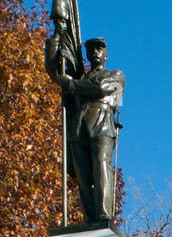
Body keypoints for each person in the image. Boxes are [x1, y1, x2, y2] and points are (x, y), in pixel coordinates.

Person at [51, 36, 123, 225]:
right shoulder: (81, 77)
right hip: (78, 128)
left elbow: (100, 88)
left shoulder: (116, 75)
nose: (94, 53)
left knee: (101, 166)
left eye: (99, 49)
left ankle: (103, 214)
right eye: (91, 50)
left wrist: (71, 85)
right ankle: (89, 217)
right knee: (82, 176)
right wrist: (54, 44)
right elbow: (56, 75)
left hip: (102, 125)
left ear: (106, 54)